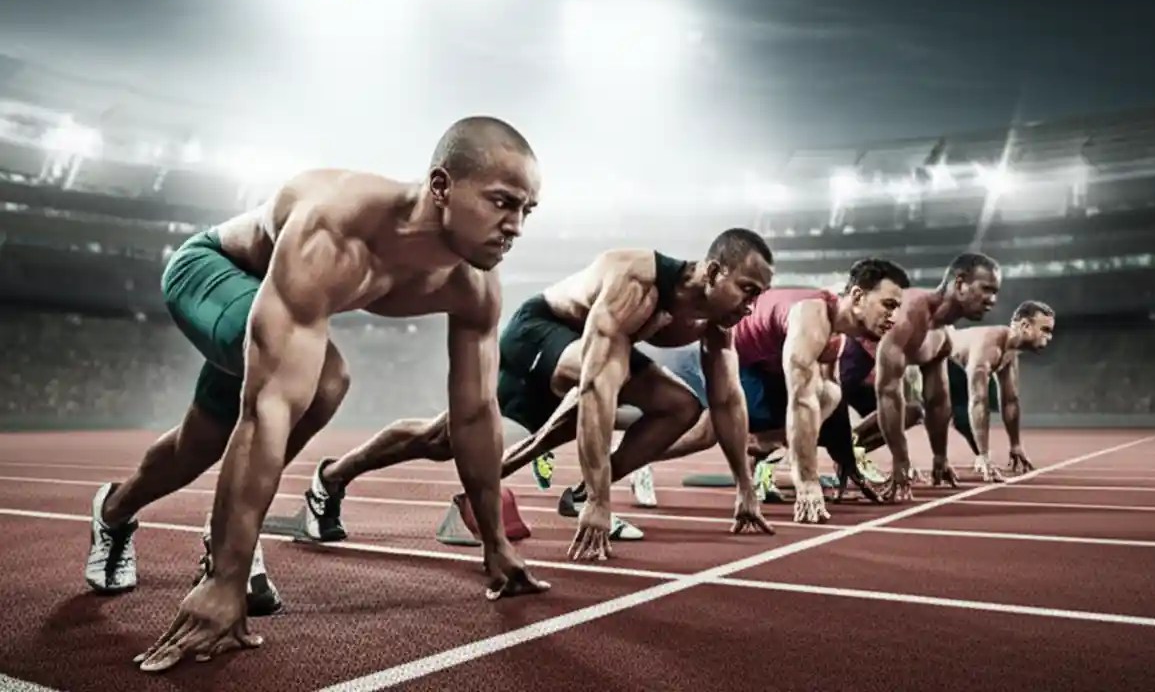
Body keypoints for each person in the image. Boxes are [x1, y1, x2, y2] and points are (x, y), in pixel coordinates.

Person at [95, 117, 549, 674]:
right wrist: (226, 580)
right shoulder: (334, 229)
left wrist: (495, 544)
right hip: (213, 272)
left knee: (198, 443)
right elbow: (270, 410)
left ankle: (114, 510)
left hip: (271, 313)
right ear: (440, 187)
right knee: (324, 381)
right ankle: (223, 551)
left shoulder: (473, 285)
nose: (516, 226)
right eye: (503, 202)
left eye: (527, 210)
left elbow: (476, 415)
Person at [304, 229, 778, 561]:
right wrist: (601, 502)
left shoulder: (718, 323)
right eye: (747, 289)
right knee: (462, 431)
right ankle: (331, 479)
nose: (751, 306)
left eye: (758, 296)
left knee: (679, 405)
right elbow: (594, 387)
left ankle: (578, 491)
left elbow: (728, 402)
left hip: (591, 357)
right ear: (714, 271)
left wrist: (744, 487)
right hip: (540, 332)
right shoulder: (637, 282)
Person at [591, 258, 911, 519]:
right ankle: (636, 454)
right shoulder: (812, 319)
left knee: (829, 394)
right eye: (887, 305)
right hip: (726, 349)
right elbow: (800, 403)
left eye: (897, 308)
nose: (893, 318)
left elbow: (826, 409)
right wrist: (808, 484)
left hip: (759, 363)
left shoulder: (836, 339)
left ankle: (760, 449)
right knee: (709, 433)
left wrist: (842, 459)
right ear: (856, 297)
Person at [867, 252, 1002, 502]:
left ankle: (849, 451)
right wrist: (901, 461)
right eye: (986, 289)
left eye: (995, 293)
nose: (991, 300)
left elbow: (938, 401)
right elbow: (887, 391)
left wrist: (940, 456)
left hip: (870, 379)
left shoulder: (942, 337)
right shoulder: (907, 312)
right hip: (841, 368)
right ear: (960, 284)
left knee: (914, 410)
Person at [946, 300, 1056, 479]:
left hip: (958, 366)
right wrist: (984, 456)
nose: (1049, 337)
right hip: (941, 358)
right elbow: (977, 401)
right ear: (1026, 326)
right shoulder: (988, 346)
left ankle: (978, 454)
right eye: (1045, 330)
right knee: (928, 413)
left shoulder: (1010, 351)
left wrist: (1016, 445)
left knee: (973, 410)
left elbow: (1010, 400)